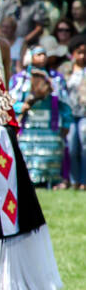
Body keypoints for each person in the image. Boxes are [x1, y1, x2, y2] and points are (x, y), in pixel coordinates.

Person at [12, 66, 71, 188]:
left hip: (49, 125)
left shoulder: (56, 79)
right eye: (38, 54)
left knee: (50, 152)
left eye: (44, 54)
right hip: (28, 126)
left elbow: (65, 104)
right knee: (27, 151)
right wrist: (21, 106)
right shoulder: (20, 79)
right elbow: (10, 101)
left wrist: (66, 123)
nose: (42, 57)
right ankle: (28, 180)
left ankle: (49, 180)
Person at [64, 35, 86, 189]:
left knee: (84, 146)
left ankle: (84, 181)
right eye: (79, 52)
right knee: (72, 146)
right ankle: (73, 180)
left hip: (84, 114)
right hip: (69, 113)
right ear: (73, 53)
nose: (82, 56)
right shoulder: (65, 69)